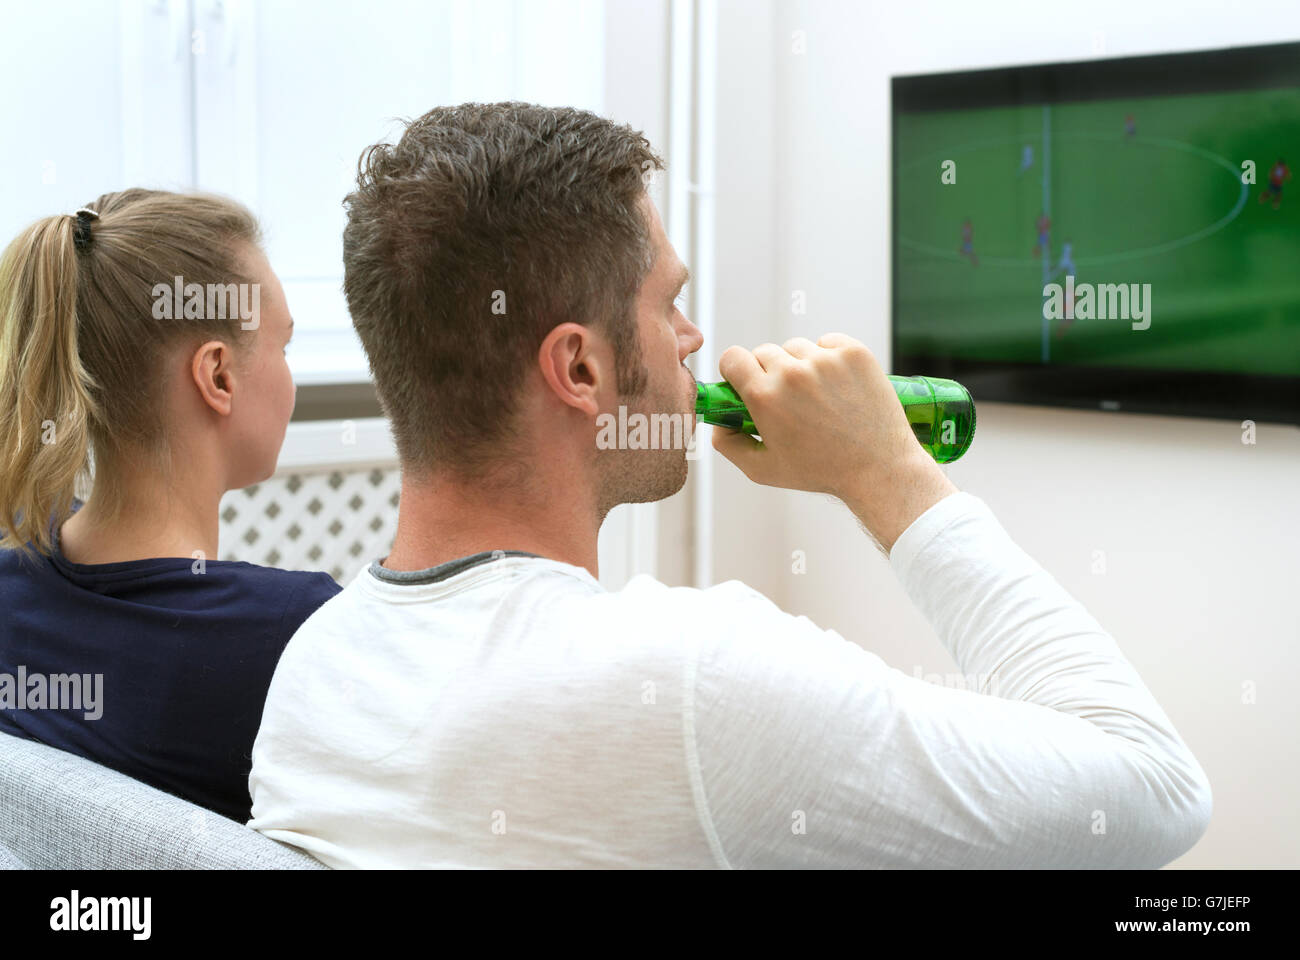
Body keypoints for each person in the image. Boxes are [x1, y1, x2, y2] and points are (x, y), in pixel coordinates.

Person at [248, 103, 1212, 868]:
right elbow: (1154, 786)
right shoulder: (689, 681)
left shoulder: (314, 669)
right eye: (668, 302)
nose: (693, 340)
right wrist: (886, 474)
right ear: (579, 371)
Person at [0, 189, 340, 822]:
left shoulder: (10, 580)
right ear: (218, 376)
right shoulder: (297, 634)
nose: (288, 376)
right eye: (283, 346)